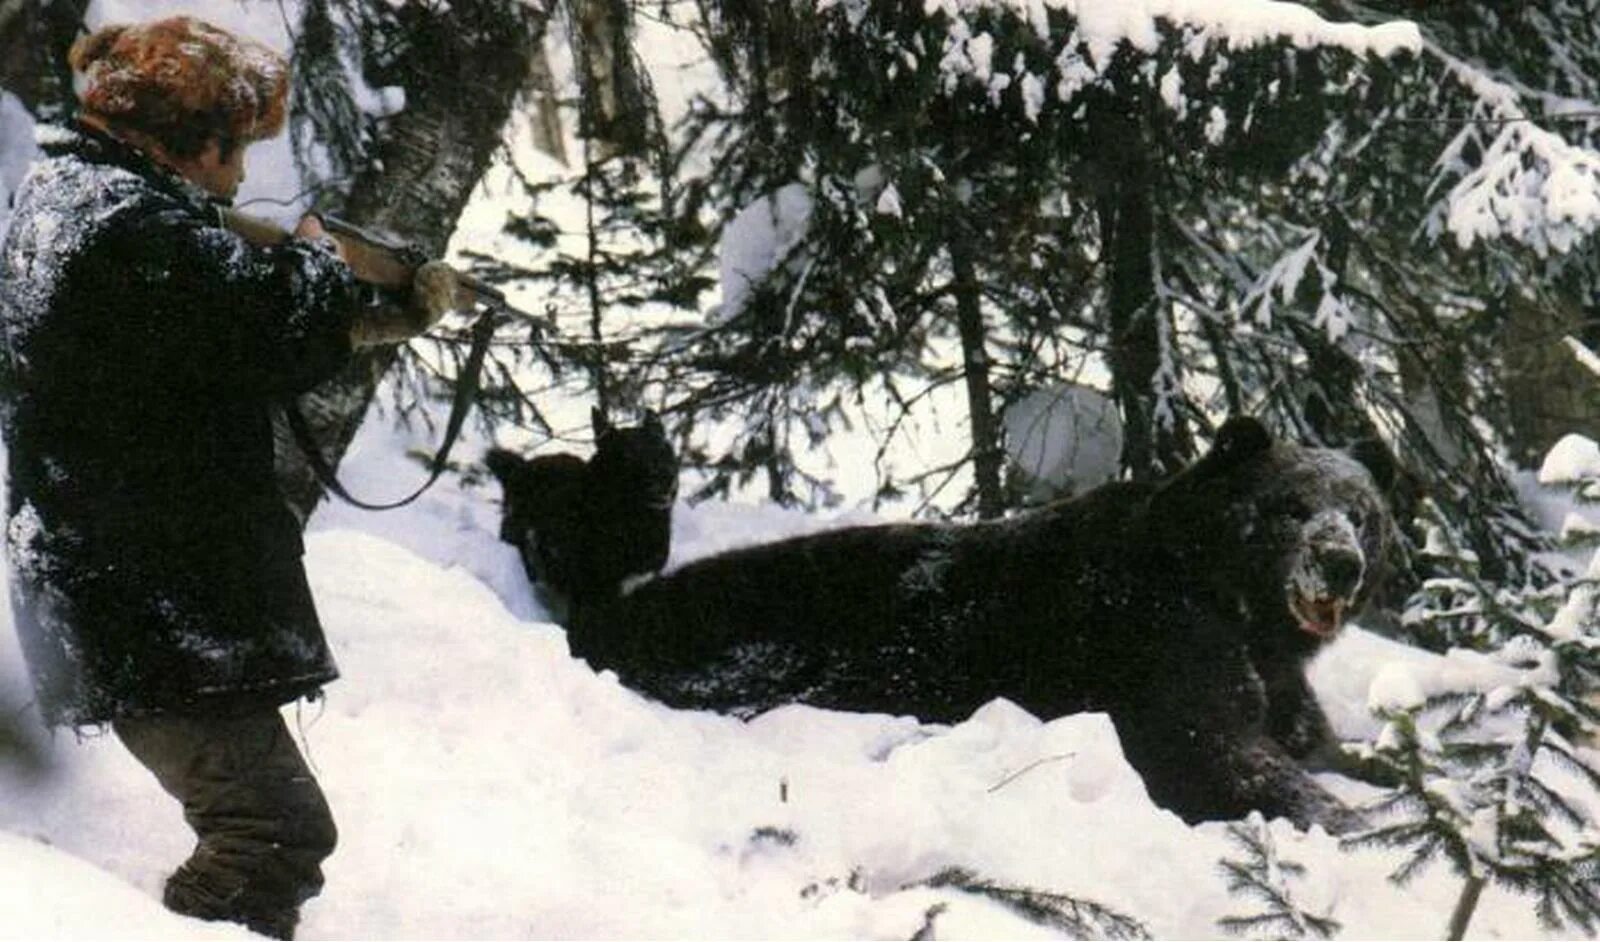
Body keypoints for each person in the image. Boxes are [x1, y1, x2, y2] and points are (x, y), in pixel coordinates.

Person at [0, 16, 451, 939]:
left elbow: (211, 336)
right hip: (150, 596)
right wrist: (330, 259)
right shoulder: (128, 228)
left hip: (133, 585)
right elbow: (262, 327)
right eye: (235, 149)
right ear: (190, 140)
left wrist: (358, 308)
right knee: (269, 835)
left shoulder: (75, 200)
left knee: (273, 831)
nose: (242, 174)